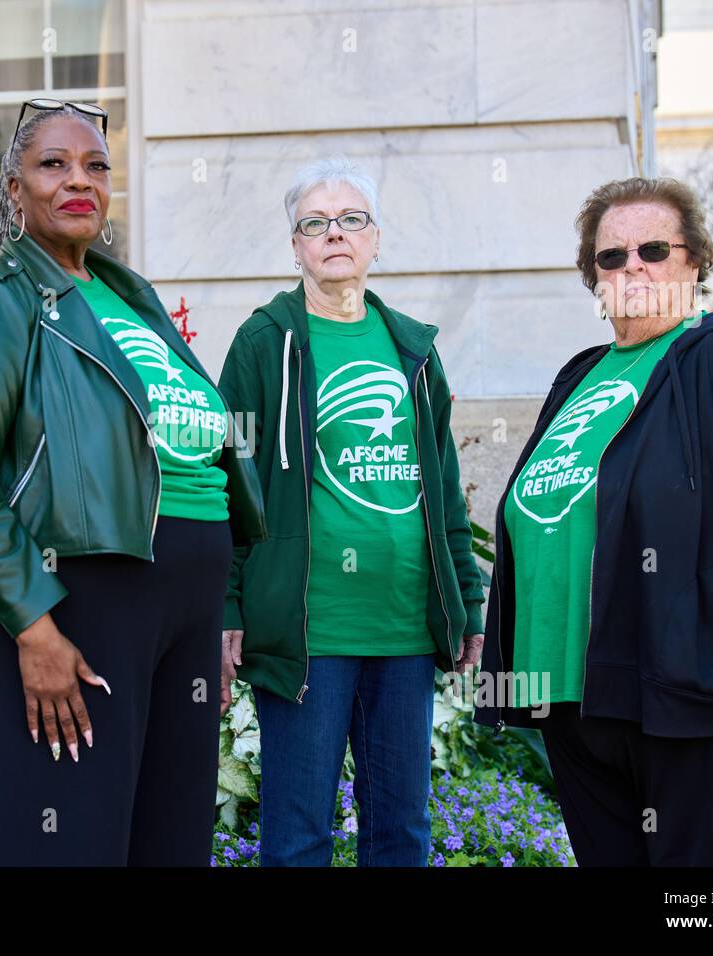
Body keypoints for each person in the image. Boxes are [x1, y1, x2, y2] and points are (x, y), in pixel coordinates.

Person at [0, 100, 266, 866]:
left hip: (178, 608)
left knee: (166, 842)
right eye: (54, 164)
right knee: (64, 837)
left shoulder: (129, 297)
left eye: (96, 166)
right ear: (13, 188)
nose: (79, 180)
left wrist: (211, 611)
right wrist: (33, 626)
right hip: (72, 596)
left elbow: (199, 460)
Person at [474, 176, 713, 866]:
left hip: (699, 688)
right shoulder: (579, 378)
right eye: (612, 256)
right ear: (594, 278)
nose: (631, 265)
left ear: (692, 261)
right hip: (574, 697)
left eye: (652, 249)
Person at [218, 156, 486, 867]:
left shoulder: (414, 353)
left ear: (374, 239)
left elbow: (445, 491)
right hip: (311, 629)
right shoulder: (263, 343)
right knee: (299, 837)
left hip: (403, 629)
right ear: (297, 246)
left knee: (401, 833)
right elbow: (229, 481)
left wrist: (468, 603)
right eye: (315, 222)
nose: (334, 233)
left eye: (351, 219)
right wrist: (229, 606)